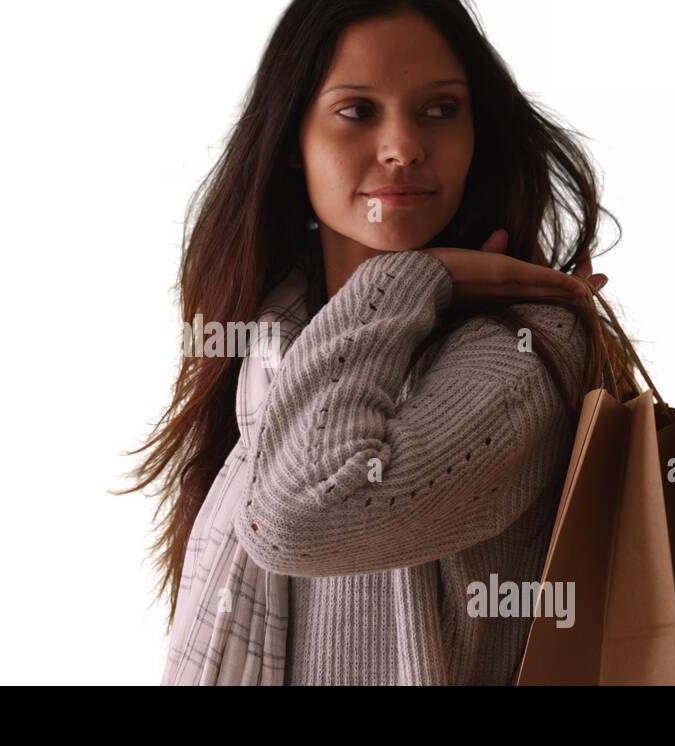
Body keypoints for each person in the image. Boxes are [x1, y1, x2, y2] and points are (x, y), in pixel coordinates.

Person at [116, 0, 646, 685]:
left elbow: (297, 515)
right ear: (288, 142)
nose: (403, 146)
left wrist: (409, 277)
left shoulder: (523, 352)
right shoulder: (269, 353)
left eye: (440, 110)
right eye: (359, 111)